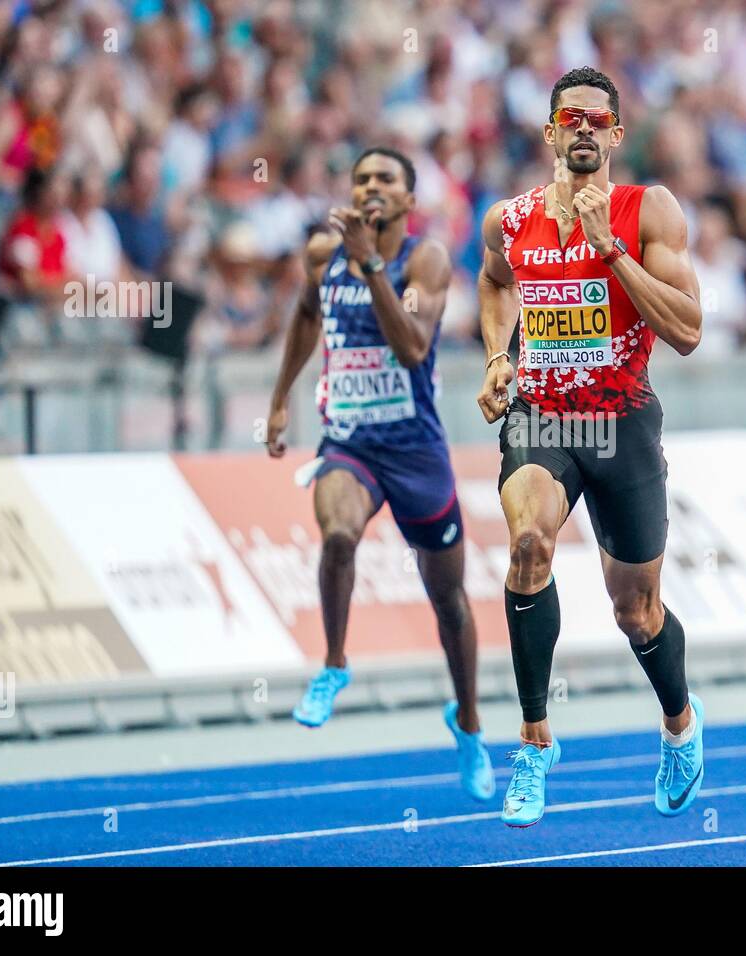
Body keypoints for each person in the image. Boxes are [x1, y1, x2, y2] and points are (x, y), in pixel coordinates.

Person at [476, 66, 705, 828]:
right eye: (567, 117)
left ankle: (678, 723)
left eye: (595, 119)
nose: (581, 128)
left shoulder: (649, 211)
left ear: (614, 134)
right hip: (543, 418)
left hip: (622, 420)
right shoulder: (508, 220)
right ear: (549, 131)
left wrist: (613, 253)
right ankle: (535, 745)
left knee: (635, 612)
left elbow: (687, 331)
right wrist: (498, 356)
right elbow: (493, 283)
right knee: (529, 546)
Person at [265, 147, 493, 802]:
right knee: (337, 532)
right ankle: (335, 664)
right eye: (361, 177)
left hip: (417, 451)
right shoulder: (320, 254)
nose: (370, 187)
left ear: (407, 201)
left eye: (385, 179)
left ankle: (470, 723)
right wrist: (281, 397)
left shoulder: (424, 261)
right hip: (352, 442)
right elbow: (308, 315)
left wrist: (369, 266)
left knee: (447, 599)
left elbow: (412, 345)